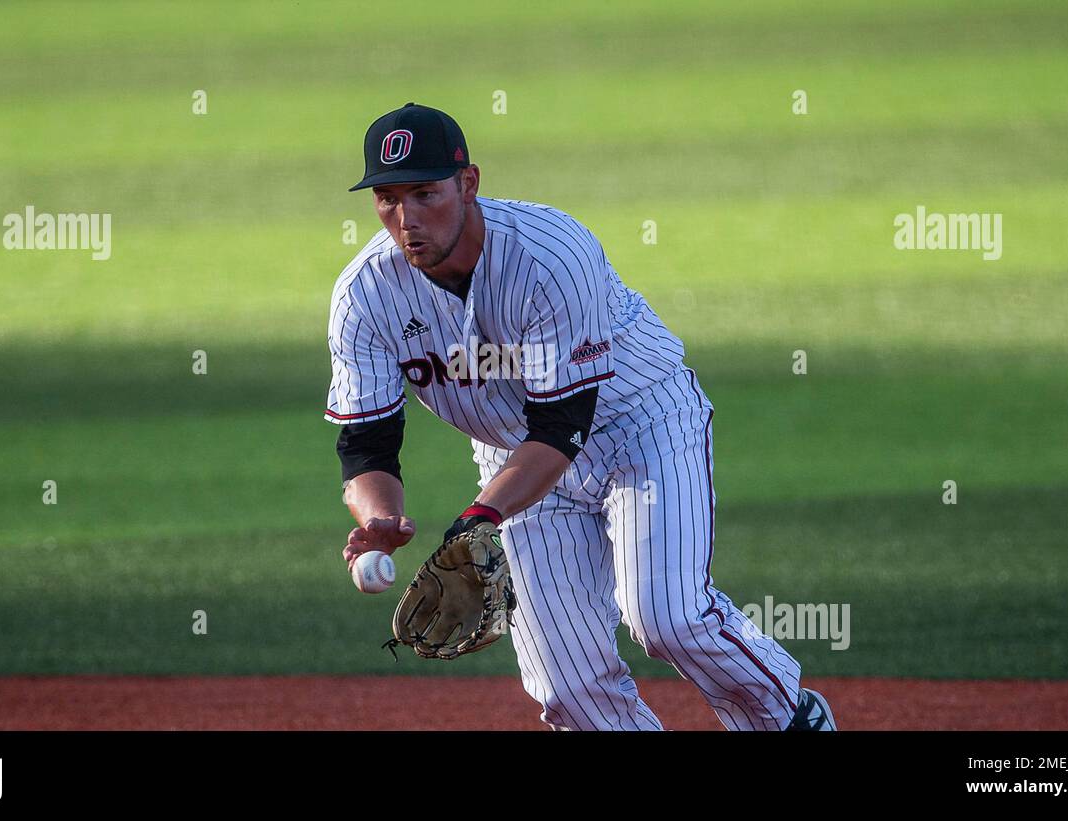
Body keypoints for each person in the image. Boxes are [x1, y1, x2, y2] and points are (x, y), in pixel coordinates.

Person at [326, 102, 836, 731]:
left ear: (468, 183)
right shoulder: (364, 295)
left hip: (639, 426)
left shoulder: (550, 255)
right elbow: (367, 443)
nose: (406, 220)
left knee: (667, 616)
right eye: (387, 198)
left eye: (425, 193)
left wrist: (479, 519)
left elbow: (561, 426)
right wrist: (378, 519)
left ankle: (787, 718)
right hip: (515, 464)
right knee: (566, 682)